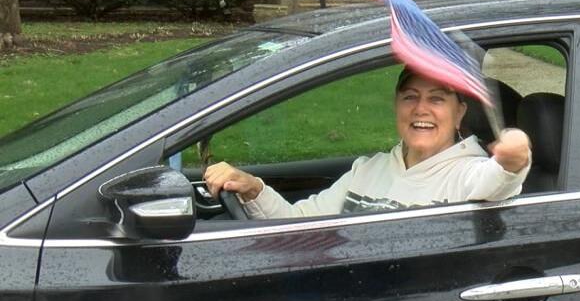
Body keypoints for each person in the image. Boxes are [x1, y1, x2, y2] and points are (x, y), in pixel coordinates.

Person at [203, 68, 532, 219]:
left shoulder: (467, 173)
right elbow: (296, 222)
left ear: (459, 112)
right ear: (396, 106)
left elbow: (498, 181)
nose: (421, 109)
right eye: (410, 97)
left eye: (437, 99)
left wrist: (514, 158)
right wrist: (251, 188)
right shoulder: (369, 169)